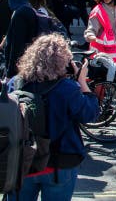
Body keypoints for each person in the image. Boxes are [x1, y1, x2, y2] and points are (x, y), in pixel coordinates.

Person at [6, 34, 99, 201]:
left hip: (22, 161)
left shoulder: (15, 83)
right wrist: (83, 83)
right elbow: (90, 114)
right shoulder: (67, 89)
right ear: (63, 61)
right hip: (59, 163)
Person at [3, 0, 40, 78]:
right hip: (26, 63)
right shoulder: (28, 9)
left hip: (19, 69)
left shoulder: (20, 13)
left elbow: (16, 45)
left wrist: (10, 73)